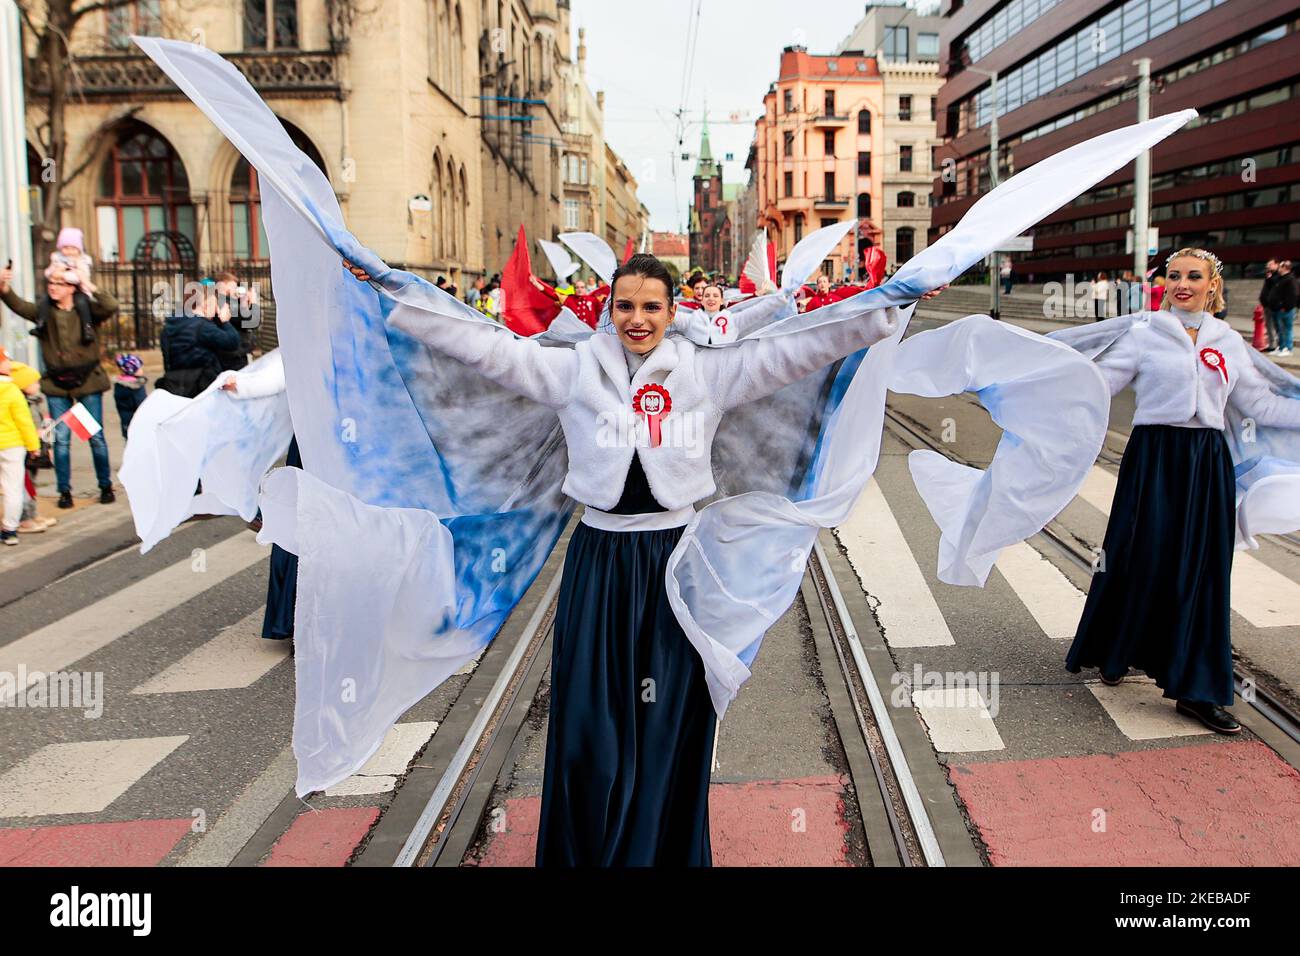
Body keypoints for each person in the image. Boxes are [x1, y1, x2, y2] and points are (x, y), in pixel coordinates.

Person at [344, 251, 905, 865]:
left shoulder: (706, 372)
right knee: (590, 725)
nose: (637, 319)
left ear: (673, 311)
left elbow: (796, 351)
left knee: (665, 720)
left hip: (674, 564)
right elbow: (487, 348)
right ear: (610, 309)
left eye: (651, 307)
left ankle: (657, 852)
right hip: (599, 562)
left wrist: (885, 310)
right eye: (626, 306)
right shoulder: (573, 370)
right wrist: (396, 298)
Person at [1052, 248, 1300, 734]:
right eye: (1174, 275)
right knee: (1138, 555)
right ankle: (1118, 647)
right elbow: (1099, 383)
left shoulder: (1227, 341)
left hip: (1207, 463)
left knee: (1202, 571)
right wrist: (1039, 383)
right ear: (1163, 283)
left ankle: (1196, 689)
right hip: (1152, 458)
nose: (1182, 283)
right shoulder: (1144, 332)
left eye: (1194, 276)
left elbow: (1262, 407)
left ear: (1213, 285)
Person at [0, 261, 119, 507]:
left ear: (71, 287)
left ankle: (105, 485)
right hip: (57, 385)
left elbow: (111, 305)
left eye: (60, 283)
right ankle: (64, 491)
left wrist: (86, 283)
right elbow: (17, 304)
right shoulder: (44, 310)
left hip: (87, 382)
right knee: (61, 438)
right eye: (51, 282)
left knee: (94, 436)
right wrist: (4, 285)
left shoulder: (86, 309)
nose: (53, 287)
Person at [218, 358, 298, 647]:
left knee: (303, 527)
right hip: (326, 446)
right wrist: (240, 384)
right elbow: (278, 373)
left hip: (331, 445)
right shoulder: (317, 332)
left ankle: (299, 620)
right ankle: (299, 620)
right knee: (302, 528)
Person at [156, 288, 242, 398]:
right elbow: (232, 342)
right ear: (205, 306)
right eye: (214, 305)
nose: (216, 309)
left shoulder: (170, 326)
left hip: (175, 385)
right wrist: (225, 321)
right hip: (201, 385)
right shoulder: (203, 327)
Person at [0, 347, 41, 546]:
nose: (9, 364)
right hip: (12, 445)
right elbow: (24, 422)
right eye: (6, 361)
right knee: (12, 488)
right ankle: (9, 530)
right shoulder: (12, 391)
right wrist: (34, 445)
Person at [213, 272, 260, 371]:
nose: (236, 290)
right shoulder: (226, 303)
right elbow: (253, 322)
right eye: (234, 287)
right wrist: (254, 302)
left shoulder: (219, 301)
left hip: (226, 354)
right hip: (232, 357)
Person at [112, 353, 149, 439]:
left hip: (126, 423)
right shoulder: (136, 387)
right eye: (140, 368)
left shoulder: (119, 386)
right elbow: (142, 406)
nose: (142, 370)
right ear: (132, 370)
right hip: (139, 425)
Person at [1266, 259, 1296, 356]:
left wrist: (1286, 306)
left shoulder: (1290, 279)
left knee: (1286, 329)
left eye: (1281, 266)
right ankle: (1281, 347)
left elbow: (1293, 295)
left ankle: (1288, 348)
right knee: (1279, 329)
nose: (1279, 268)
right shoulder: (1280, 278)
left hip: (1285, 309)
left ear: (1286, 268)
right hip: (1277, 308)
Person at [1259, 259, 1278, 352]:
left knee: (1274, 326)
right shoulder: (1269, 276)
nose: (1268, 266)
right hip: (1266, 305)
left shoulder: (1278, 276)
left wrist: (1269, 278)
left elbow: (1275, 287)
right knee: (1268, 326)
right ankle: (1271, 344)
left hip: (1273, 305)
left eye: (1270, 264)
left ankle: (1275, 345)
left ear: (1276, 265)